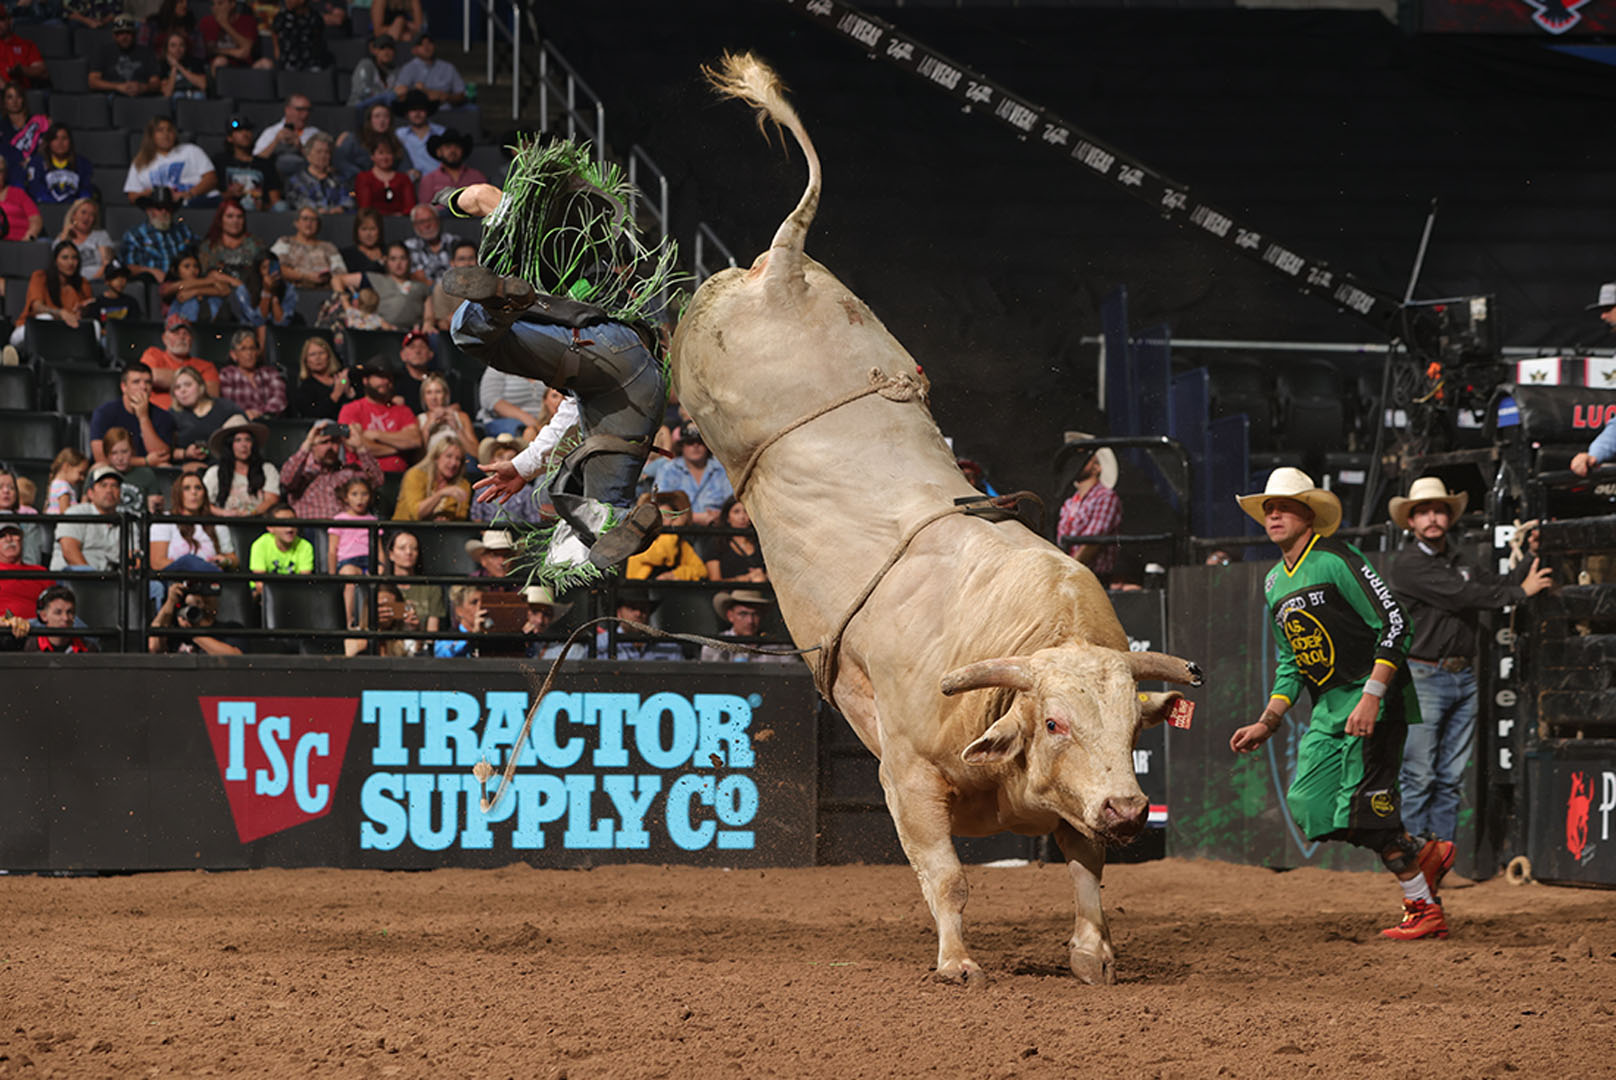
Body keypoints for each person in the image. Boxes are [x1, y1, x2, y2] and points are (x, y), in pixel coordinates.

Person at [1228, 467, 1454, 941]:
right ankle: (1422, 852)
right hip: (1329, 709)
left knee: (1366, 810)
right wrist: (1268, 721)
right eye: (1269, 508)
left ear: (1309, 514)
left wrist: (1372, 696)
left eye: (1285, 506)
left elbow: (1395, 624)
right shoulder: (1273, 583)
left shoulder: (1335, 558)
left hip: (1376, 700)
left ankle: (1423, 907)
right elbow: (1291, 661)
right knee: (1310, 805)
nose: (1274, 514)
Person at [449, 145, 680, 590]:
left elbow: (480, 195)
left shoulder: (534, 229)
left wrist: (453, 199)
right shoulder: (602, 245)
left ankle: (496, 308)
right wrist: (523, 466)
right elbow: (572, 411)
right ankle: (621, 520)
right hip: (638, 374)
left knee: (467, 328)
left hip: (589, 347)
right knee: (603, 505)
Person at [1386, 477, 1552, 843]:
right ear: (1411, 522)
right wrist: (1520, 592)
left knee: (1448, 777)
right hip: (1424, 675)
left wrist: (1531, 560)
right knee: (1421, 776)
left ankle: (1438, 861)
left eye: (1438, 510)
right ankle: (1412, 865)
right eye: (1423, 512)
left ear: (1449, 516)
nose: (1431, 517)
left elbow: (1494, 583)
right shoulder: (1409, 565)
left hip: (1461, 676)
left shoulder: (1459, 559)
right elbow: (1464, 596)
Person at [540, 586, 684, 661]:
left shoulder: (668, 646)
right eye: (632, 607)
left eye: (643, 608)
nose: (638, 613)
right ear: (618, 612)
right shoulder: (600, 644)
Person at [280, 417, 382, 519]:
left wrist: (360, 447)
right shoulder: (303, 471)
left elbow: (377, 480)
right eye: (324, 442)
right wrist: (307, 443)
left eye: (334, 442)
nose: (330, 447)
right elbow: (286, 481)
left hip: (343, 530)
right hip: (310, 529)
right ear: (313, 446)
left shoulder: (350, 471)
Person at [1055, 433, 1123, 585]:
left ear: (1096, 467)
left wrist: (1069, 571)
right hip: (1073, 574)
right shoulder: (1070, 503)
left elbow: (1093, 541)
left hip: (1094, 578)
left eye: (1084, 459)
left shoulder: (1106, 497)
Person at [339, 353, 423, 474]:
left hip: (398, 478)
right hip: (360, 478)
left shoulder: (403, 410)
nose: (385, 381)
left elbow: (415, 441)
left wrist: (376, 435)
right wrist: (398, 448)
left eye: (389, 377)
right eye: (380, 376)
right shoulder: (351, 409)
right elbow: (354, 445)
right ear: (365, 380)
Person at [11, 239, 91, 350]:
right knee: (46, 318)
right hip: (30, 330)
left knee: (93, 326)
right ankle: (15, 354)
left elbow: (84, 312)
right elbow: (37, 307)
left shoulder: (82, 283)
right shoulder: (40, 277)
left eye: (74, 258)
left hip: (63, 333)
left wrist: (83, 311)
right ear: (55, 261)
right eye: (65, 258)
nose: (70, 263)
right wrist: (60, 313)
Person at [90, 362, 176, 465]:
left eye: (148, 382)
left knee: (165, 466)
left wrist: (143, 418)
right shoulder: (104, 413)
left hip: (148, 472)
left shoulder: (163, 416)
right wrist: (145, 461)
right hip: (115, 470)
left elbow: (162, 456)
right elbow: (101, 457)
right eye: (136, 382)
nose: (143, 387)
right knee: (100, 466)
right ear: (124, 387)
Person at [50, 462, 125, 571]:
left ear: (120, 493)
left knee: (154, 586)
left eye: (114, 486)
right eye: (103, 485)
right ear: (90, 493)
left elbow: (133, 555)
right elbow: (69, 551)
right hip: (74, 578)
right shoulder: (75, 513)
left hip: (111, 580)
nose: (109, 490)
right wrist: (94, 579)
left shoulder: (126, 520)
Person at [126, 117, 217, 206]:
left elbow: (211, 179)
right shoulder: (140, 161)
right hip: (161, 208)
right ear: (151, 135)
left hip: (198, 202)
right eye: (160, 130)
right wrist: (150, 194)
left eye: (169, 130)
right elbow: (132, 196)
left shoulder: (191, 150)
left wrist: (190, 194)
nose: (166, 134)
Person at [339, 241, 432, 329]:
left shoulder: (421, 287)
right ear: (386, 260)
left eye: (403, 258)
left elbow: (429, 316)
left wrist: (428, 323)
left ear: (409, 260)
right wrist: (346, 304)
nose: (398, 263)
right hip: (381, 331)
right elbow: (338, 280)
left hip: (412, 336)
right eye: (393, 259)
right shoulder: (375, 279)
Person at [656, 422, 732, 527]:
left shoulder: (721, 470)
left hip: (717, 530)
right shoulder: (668, 469)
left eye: (700, 442)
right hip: (679, 530)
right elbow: (660, 505)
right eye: (690, 442)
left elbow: (732, 502)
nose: (695, 446)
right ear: (682, 445)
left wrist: (721, 516)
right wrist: (694, 517)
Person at [204, 413, 280, 516]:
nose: (243, 445)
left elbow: (272, 500)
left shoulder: (267, 469)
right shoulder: (214, 472)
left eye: (247, 440)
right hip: (224, 525)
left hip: (258, 524)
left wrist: (250, 513)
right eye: (238, 440)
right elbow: (204, 503)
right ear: (229, 445)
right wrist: (225, 514)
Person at [139, 314, 220, 410]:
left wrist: (168, 379)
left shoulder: (206, 366)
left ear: (192, 339)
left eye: (185, 333)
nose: (181, 337)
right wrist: (194, 383)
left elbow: (212, 394)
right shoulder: (153, 354)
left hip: (192, 419)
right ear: (164, 338)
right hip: (158, 416)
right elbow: (150, 376)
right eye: (176, 333)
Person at [121, 188, 200, 283]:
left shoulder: (184, 231)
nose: (164, 212)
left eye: (167, 208)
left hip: (183, 284)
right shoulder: (134, 235)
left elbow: (198, 257)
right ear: (149, 210)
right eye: (159, 207)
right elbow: (128, 268)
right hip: (151, 285)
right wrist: (151, 271)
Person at [168, 363, 242, 462]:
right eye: (177, 387)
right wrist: (185, 453)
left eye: (188, 385)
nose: (183, 390)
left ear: (200, 386)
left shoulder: (225, 407)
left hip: (224, 465)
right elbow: (163, 452)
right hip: (188, 468)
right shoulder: (172, 415)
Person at [329, 474, 377, 627]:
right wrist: (332, 575)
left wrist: (381, 565)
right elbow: (332, 549)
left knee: (373, 582)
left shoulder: (373, 520)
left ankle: (365, 624)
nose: (360, 499)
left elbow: (379, 547)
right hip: (347, 561)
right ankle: (347, 621)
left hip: (368, 560)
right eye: (354, 494)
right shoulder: (340, 519)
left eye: (364, 494)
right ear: (346, 497)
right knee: (349, 578)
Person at [625, 491, 707, 581]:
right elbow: (661, 555)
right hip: (637, 590)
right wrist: (674, 529)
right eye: (659, 516)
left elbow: (700, 570)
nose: (662, 520)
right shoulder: (643, 541)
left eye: (668, 516)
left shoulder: (679, 543)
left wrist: (674, 575)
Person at [148, 578, 244, 654]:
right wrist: (170, 603)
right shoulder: (175, 628)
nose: (202, 601)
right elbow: (153, 647)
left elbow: (235, 658)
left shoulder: (230, 628)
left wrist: (193, 633)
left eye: (207, 597)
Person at [700, 587, 795, 663]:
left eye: (755, 614)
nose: (750, 621)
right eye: (743, 614)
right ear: (730, 615)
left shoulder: (778, 647)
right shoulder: (715, 646)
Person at [392, 429, 468, 521]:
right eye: (448, 456)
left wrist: (447, 520)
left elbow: (461, 518)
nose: (453, 463)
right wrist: (441, 494)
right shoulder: (415, 475)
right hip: (406, 528)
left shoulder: (463, 485)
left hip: (444, 533)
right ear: (436, 457)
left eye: (458, 459)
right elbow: (417, 514)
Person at [381, 528, 444, 634]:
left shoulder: (431, 587)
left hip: (420, 644)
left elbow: (432, 634)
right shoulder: (381, 587)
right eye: (402, 548)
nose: (409, 552)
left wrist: (417, 627)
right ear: (391, 554)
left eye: (414, 548)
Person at [470, 433, 543, 525]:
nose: (505, 462)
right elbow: (476, 519)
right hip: (487, 536)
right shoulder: (482, 490)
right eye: (500, 457)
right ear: (492, 461)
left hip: (518, 536)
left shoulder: (527, 491)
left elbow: (533, 519)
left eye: (511, 458)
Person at [199, 197, 267, 290]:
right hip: (217, 291)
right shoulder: (209, 245)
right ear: (220, 220)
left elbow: (263, 273)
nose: (235, 221)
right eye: (230, 216)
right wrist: (234, 282)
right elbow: (209, 274)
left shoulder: (256, 244)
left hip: (250, 291)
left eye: (239, 216)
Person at [272, 206, 346, 292]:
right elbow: (276, 268)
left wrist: (326, 277)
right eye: (305, 219)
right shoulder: (285, 242)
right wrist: (305, 276)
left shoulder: (328, 247)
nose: (309, 223)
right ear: (296, 223)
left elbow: (341, 272)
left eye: (313, 220)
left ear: (318, 224)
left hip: (324, 292)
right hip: (293, 292)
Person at [214, 117, 281, 211]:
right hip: (231, 211)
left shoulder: (265, 164)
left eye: (248, 130)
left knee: (281, 206)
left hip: (261, 213)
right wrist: (230, 194)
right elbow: (211, 197)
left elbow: (275, 200)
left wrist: (263, 207)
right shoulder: (220, 162)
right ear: (229, 138)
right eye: (239, 131)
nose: (245, 134)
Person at [252, 94, 321, 183]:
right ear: (288, 110)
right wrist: (275, 142)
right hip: (276, 180)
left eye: (308, 110)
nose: (305, 114)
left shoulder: (315, 133)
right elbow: (257, 161)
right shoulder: (272, 132)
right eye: (300, 110)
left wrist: (300, 147)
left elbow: (321, 163)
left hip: (306, 180)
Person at [219, 329, 287, 420]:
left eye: (252, 348)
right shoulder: (227, 375)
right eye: (243, 349)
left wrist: (259, 413)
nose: (249, 353)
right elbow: (227, 405)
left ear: (257, 352)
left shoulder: (270, 373)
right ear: (233, 355)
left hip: (269, 422)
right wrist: (245, 414)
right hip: (240, 424)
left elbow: (279, 400)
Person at [90, 13, 162, 97]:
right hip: (113, 98)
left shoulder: (147, 53)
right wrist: (117, 87)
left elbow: (156, 83)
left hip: (141, 99)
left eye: (128, 32)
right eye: (120, 33)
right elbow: (92, 82)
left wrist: (143, 87)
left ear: (134, 34)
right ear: (114, 35)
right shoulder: (104, 52)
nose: (124, 37)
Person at [101, 426, 167, 511]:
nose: (120, 458)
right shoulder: (99, 474)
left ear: (132, 451)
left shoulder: (146, 475)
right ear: (107, 455)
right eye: (114, 453)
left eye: (124, 452)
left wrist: (157, 506)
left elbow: (156, 510)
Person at [283, 133, 353, 214]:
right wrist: (316, 210)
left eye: (327, 152)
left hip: (337, 220)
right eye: (319, 152)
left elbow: (351, 195)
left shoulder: (340, 179)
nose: (323, 156)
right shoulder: (295, 181)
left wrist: (342, 208)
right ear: (308, 155)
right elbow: (295, 201)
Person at [27, 126, 95, 207]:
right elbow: (35, 189)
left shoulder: (82, 164)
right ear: (49, 142)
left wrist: (73, 204)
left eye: (64, 138)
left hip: (74, 211)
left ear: (70, 141)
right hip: (45, 209)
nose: (60, 143)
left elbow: (86, 191)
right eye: (55, 138)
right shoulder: (37, 163)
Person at [390, 32, 465, 107]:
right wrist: (422, 92)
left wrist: (446, 96)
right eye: (421, 44)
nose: (426, 47)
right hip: (418, 111)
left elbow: (461, 95)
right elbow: (399, 94)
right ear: (414, 50)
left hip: (446, 111)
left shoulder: (448, 67)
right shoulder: (408, 68)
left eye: (429, 43)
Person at [704, 496, 767, 582]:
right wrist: (744, 578)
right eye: (736, 512)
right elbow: (715, 581)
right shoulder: (717, 543)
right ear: (727, 518)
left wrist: (764, 576)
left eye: (746, 511)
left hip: (759, 591)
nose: (742, 517)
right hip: (728, 593)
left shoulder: (760, 542)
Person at [417, 131, 485, 210]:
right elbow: (424, 210)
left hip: (472, 220)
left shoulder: (477, 177)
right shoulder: (429, 179)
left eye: (457, 147)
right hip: (439, 220)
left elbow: (485, 205)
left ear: (463, 151)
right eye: (448, 147)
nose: (453, 150)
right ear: (439, 152)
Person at [291, 335, 354, 419]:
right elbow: (312, 414)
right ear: (306, 361)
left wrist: (348, 392)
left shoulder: (342, 378)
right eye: (312, 354)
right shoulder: (306, 386)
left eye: (321, 353)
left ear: (328, 357)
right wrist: (336, 394)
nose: (318, 358)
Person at [476, 364, 547, 438]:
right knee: (529, 432)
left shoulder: (545, 366)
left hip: (544, 421)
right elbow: (490, 399)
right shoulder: (498, 366)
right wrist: (533, 422)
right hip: (506, 422)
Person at [163, 251, 235, 323]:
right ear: (174, 270)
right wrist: (211, 280)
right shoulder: (169, 284)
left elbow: (226, 291)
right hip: (175, 324)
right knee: (191, 301)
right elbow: (180, 287)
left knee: (215, 299)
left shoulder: (204, 281)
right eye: (187, 266)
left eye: (196, 266)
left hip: (207, 320)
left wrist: (195, 292)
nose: (193, 270)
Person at [416, 372, 477, 456]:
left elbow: (477, 454)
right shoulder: (419, 420)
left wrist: (457, 429)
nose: (433, 398)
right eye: (429, 392)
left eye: (438, 392)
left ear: (445, 395)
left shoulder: (461, 417)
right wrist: (427, 427)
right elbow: (417, 459)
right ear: (423, 397)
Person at [334, 101, 398, 182]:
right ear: (370, 120)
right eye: (377, 116)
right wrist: (362, 176)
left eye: (386, 116)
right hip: (355, 181)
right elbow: (339, 160)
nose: (382, 120)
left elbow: (403, 165)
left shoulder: (394, 141)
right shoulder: (354, 138)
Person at [249, 503, 313, 583]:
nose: (290, 528)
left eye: (292, 521)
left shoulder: (305, 546)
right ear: (270, 528)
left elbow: (305, 583)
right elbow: (260, 584)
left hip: (295, 593)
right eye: (283, 523)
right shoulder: (259, 545)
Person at [55, 198, 114, 281]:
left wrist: (92, 282)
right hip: (71, 282)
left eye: (91, 215)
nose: (86, 217)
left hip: (97, 281)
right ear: (73, 215)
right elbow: (58, 265)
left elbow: (106, 263)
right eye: (83, 212)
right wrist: (65, 237)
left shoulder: (101, 235)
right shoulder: (62, 238)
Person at [354, 134, 415, 215]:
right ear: (372, 156)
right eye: (381, 153)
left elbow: (410, 208)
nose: (385, 157)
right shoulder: (364, 177)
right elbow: (365, 208)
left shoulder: (404, 178)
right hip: (373, 223)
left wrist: (399, 216)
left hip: (400, 222)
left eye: (389, 153)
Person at [26, 584, 97, 653]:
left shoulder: (88, 648)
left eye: (70, 612)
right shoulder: (29, 646)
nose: (65, 618)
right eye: (58, 612)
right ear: (43, 616)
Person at [202, 0, 269, 71]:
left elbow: (247, 49)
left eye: (220, 3)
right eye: (213, 4)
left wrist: (225, 24)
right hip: (220, 65)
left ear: (232, 4)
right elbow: (210, 49)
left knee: (266, 63)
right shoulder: (207, 21)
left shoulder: (248, 21)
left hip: (245, 66)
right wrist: (233, 52)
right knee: (220, 61)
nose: (216, 7)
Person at [403, 201, 461, 283]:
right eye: (421, 222)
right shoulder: (408, 247)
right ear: (414, 225)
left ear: (438, 220)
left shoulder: (454, 243)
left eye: (430, 220)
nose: (427, 225)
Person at [0, 522, 47, 620]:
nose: (9, 539)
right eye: (2, 536)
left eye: (13, 533)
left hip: (38, 628)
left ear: (21, 539)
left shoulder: (40, 572)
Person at [391, 89, 443, 179]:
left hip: (439, 181)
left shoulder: (441, 132)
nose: (417, 113)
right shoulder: (399, 135)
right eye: (413, 109)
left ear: (427, 111)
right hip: (410, 182)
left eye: (421, 109)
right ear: (406, 113)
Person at [0, 468, 46, 565]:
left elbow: (32, 561)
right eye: (0, 487)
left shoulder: (28, 523)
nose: (6, 491)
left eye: (11, 487)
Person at [429, 239, 477, 331]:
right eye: (461, 259)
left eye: (471, 258)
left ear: (478, 261)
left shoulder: (487, 287)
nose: (467, 263)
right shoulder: (442, 288)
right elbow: (443, 324)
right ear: (452, 263)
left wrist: (456, 317)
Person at [271, 0, 332, 71]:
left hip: (310, 66)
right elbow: (274, 32)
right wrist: (277, 50)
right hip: (287, 67)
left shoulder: (314, 17)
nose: (287, 1)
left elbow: (318, 39)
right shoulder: (281, 17)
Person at [0, 80, 48, 166]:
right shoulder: (2, 127)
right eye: (10, 97)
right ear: (4, 102)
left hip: (35, 166)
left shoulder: (37, 122)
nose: (15, 101)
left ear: (23, 99)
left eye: (18, 97)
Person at [433, 582, 487, 657]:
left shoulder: (492, 634)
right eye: (474, 602)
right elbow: (443, 654)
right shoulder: (446, 639)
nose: (481, 606)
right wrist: (471, 637)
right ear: (459, 610)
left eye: (484, 601)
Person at [0, 7, 46, 89]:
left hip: (20, 95)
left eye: (1, 19)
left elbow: (42, 72)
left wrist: (22, 70)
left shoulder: (26, 45)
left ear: (10, 20)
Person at [393, 328, 438, 412]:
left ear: (430, 354)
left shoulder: (438, 379)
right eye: (412, 347)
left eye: (422, 346)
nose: (417, 351)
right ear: (403, 355)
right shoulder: (394, 380)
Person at [519, 584, 570, 658]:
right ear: (525, 612)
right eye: (535, 612)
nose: (540, 620)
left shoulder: (565, 650)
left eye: (547, 614)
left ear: (552, 617)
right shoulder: (509, 643)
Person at [348, 33, 397, 107]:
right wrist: (382, 95)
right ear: (374, 51)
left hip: (383, 111)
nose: (386, 52)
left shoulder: (396, 71)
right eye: (382, 48)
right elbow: (362, 89)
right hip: (359, 106)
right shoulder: (365, 65)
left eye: (390, 48)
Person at [158, 28, 208, 101]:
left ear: (185, 47)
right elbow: (167, 93)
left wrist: (178, 66)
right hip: (175, 99)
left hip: (195, 96)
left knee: (198, 95)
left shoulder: (194, 62)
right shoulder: (163, 65)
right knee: (178, 96)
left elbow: (203, 85)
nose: (178, 49)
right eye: (173, 45)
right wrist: (174, 68)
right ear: (166, 49)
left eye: (181, 45)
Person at [89, 260, 144, 325]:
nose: (120, 280)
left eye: (123, 276)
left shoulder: (131, 302)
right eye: (115, 277)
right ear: (107, 281)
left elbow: (135, 326)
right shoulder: (97, 303)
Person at [0, 154, 41, 241]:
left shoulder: (18, 193)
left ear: (5, 174)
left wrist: (30, 236)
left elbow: (35, 219)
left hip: (21, 245)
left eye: (0, 171)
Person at [340, 207, 387, 274]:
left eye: (372, 229)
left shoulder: (388, 252)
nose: (368, 234)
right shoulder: (347, 254)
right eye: (364, 229)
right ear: (357, 231)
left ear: (379, 230)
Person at [46, 447, 90, 515]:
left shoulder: (56, 483)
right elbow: (65, 512)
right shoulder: (63, 486)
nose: (82, 478)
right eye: (80, 473)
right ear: (66, 467)